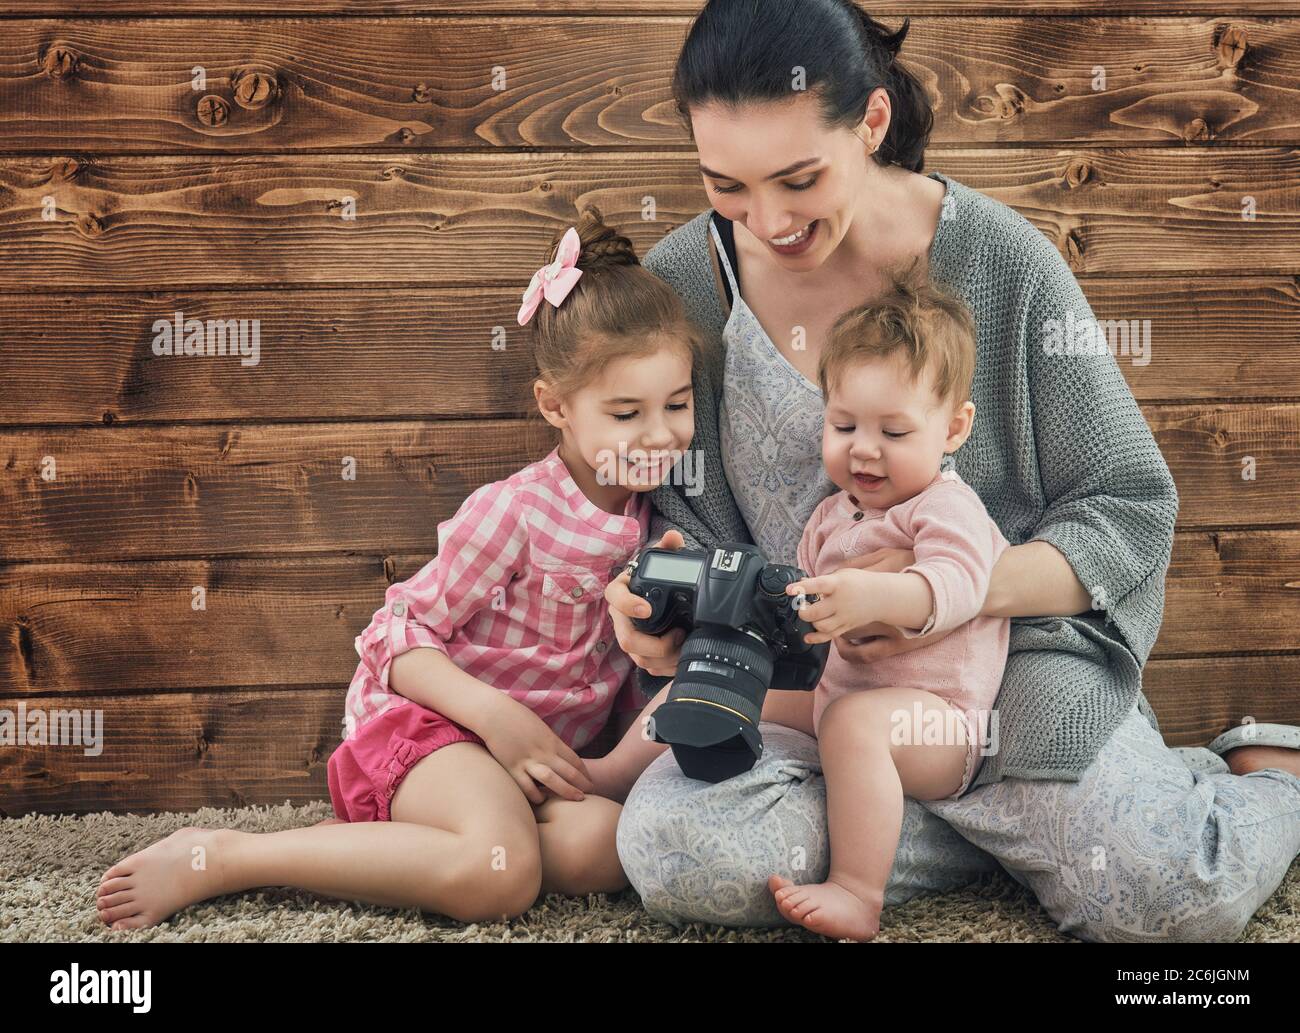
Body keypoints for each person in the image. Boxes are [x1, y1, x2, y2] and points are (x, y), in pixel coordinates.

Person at [599, 0, 1300, 940]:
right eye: (726, 186)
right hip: (814, 703)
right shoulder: (685, 283)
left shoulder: (1002, 262)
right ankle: (968, 824)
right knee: (674, 849)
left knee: (1176, 896)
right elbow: (677, 521)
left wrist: (934, 595)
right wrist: (661, 621)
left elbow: (1127, 507)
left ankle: (1262, 778)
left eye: (799, 178)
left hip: (996, 687)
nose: (766, 222)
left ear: (872, 123)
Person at [95, 205, 705, 930]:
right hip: (433, 730)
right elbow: (397, 634)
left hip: (525, 761)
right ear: (556, 406)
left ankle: (391, 850)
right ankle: (231, 855)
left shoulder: (655, 525)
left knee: (604, 847)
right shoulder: (516, 510)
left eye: (678, 402)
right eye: (627, 412)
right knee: (496, 876)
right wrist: (496, 717)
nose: (661, 433)